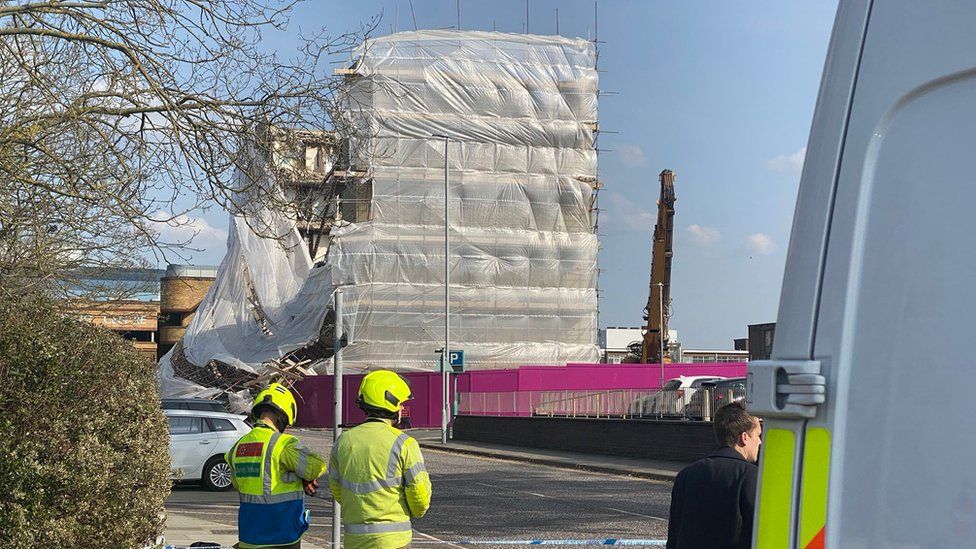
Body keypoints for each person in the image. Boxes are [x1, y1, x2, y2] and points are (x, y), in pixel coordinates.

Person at [328, 370, 432, 549]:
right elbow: (419, 496)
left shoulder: (343, 442)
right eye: (400, 403)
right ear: (390, 401)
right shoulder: (404, 443)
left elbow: (337, 490)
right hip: (393, 541)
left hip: (355, 541)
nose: (401, 409)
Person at [226, 383, 327, 549]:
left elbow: (241, 484)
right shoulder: (283, 444)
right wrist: (302, 478)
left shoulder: (237, 448)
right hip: (282, 536)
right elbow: (315, 467)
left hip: (249, 536)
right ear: (282, 416)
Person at [666, 402, 762, 549]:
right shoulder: (751, 476)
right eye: (758, 435)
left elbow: (674, 535)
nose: (760, 442)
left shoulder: (686, 475)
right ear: (744, 437)